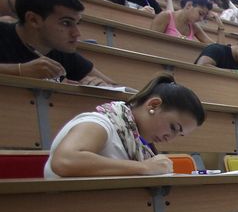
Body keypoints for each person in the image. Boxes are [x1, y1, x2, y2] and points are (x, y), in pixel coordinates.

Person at [44, 73, 204, 179]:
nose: (170, 139)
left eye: (179, 134)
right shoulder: (99, 123)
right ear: (153, 105)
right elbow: (64, 161)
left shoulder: (137, 143)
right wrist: (143, 167)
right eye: (174, 128)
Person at [0, 0, 115, 85]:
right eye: (66, 23)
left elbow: (125, 91)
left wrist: (103, 86)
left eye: (77, 23)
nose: (77, 33)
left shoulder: (61, 50)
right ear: (33, 20)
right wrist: (20, 70)